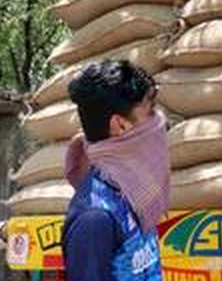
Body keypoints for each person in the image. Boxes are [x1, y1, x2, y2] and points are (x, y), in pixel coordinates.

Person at [62, 60, 169, 281]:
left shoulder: (132, 192)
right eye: (150, 111)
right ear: (120, 125)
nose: (159, 121)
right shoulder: (95, 220)